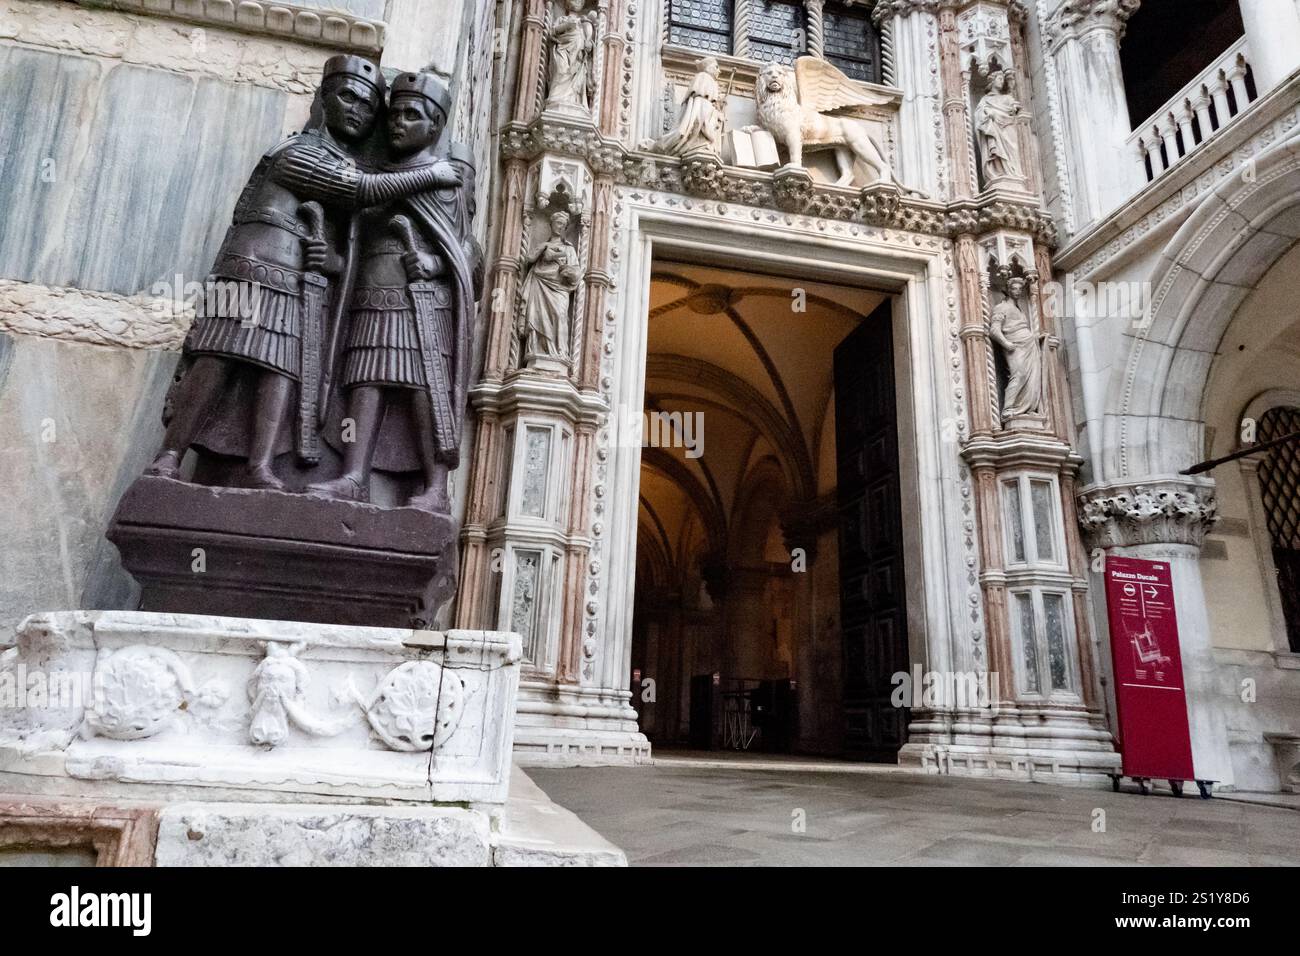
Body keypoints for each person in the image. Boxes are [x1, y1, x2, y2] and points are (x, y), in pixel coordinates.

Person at [147, 56, 461, 490]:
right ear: (323, 98)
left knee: (284, 366)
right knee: (219, 355)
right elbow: (359, 191)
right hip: (252, 264)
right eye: (348, 97)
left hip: (297, 278)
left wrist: (335, 263)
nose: (359, 111)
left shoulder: (354, 164)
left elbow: (450, 249)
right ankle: (169, 455)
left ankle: (260, 465)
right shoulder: (298, 151)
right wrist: (434, 171)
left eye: (370, 106)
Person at [305, 72, 479, 512]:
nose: (398, 122)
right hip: (370, 292)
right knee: (365, 381)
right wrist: (337, 265)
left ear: (434, 128)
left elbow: (468, 252)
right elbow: (356, 240)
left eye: (412, 115)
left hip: (423, 301)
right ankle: (352, 476)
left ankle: (435, 486)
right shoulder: (375, 173)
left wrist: (437, 263)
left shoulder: (446, 182)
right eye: (395, 113)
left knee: (426, 390)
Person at [518, 210, 581, 362]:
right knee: (536, 316)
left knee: (559, 315)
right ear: (551, 224)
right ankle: (535, 350)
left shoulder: (569, 249)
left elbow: (577, 272)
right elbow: (529, 259)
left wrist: (567, 271)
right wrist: (544, 247)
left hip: (559, 287)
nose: (561, 227)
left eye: (564, 225)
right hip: (540, 282)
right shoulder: (543, 246)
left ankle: (559, 352)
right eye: (558, 223)